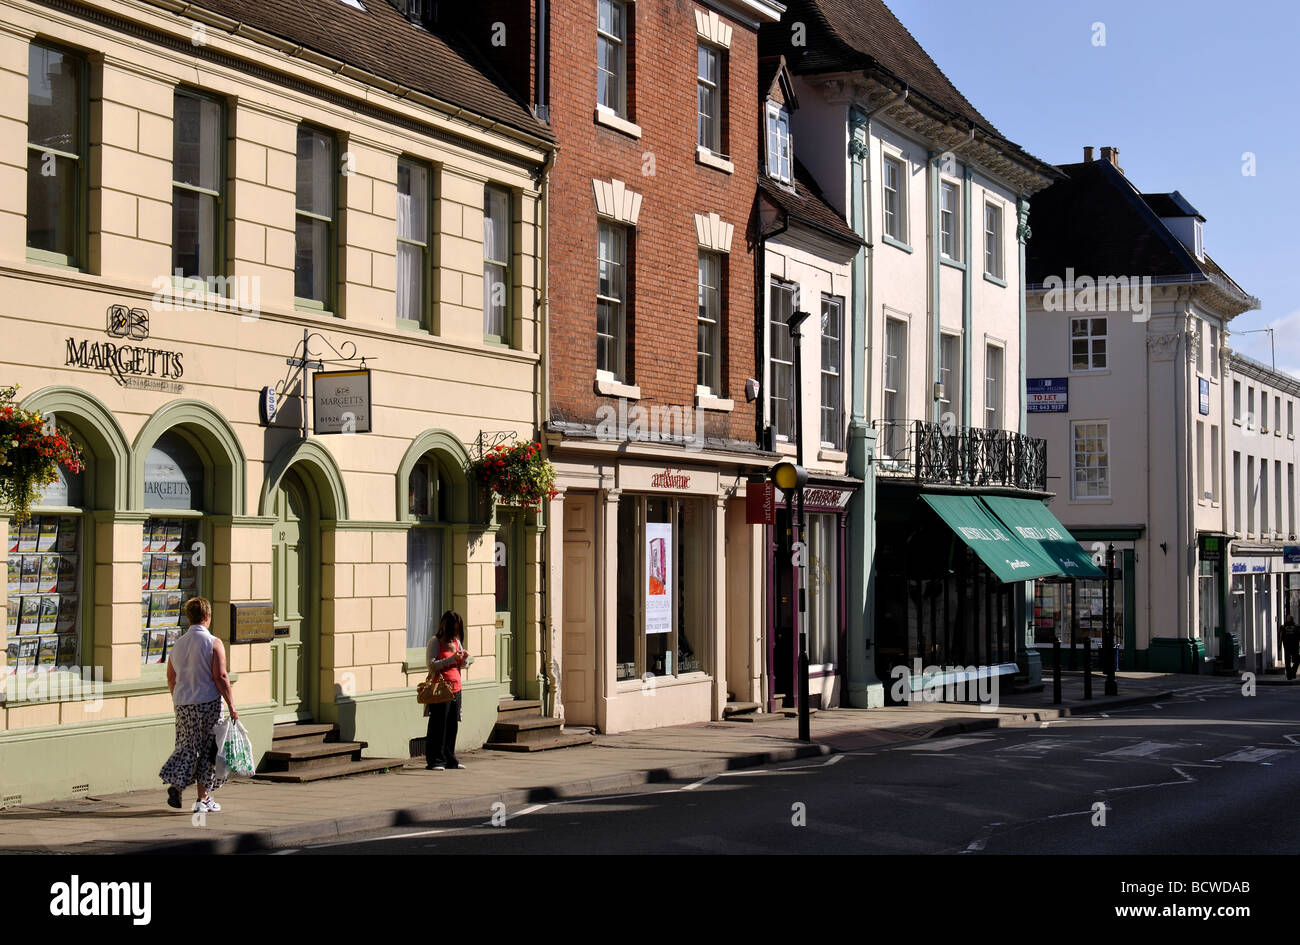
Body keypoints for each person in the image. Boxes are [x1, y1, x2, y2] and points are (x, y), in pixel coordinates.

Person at [160, 597, 237, 813]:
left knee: (187, 746)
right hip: (208, 703)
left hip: (184, 703)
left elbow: (171, 677)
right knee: (208, 750)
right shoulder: (213, 642)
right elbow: (220, 676)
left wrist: (177, 698)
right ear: (207, 617)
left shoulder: (178, 644)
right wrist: (231, 705)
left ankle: (177, 784)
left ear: (189, 617)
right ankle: (202, 799)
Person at [425, 610, 468, 771]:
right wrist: (452, 659)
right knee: (438, 725)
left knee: (452, 725)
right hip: (441, 689)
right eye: (454, 629)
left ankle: (450, 759)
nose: (456, 633)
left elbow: (462, 664)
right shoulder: (435, 642)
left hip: (456, 688)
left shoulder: (456, 641)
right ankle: (435, 760)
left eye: (458, 629)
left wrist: (464, 660)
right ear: (446, 627)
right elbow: (431, 665)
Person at [1279, 612, 1300, 681]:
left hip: (1288, 647)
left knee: (1288, 661)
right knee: (1296, 660)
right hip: (1294, 647)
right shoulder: (1296, 627)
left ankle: (1290, 675)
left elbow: (1281, 637)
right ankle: (1292, 673)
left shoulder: (1283, 627)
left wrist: (1279, 646)